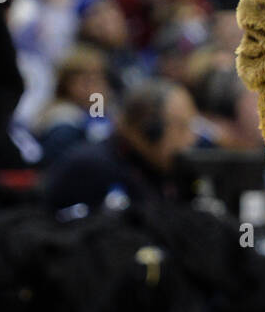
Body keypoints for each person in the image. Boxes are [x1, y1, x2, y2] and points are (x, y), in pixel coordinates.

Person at [43, 77, 198, 213]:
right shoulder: (90, 169)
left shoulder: (163, 172)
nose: (191, 139)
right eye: (182, 127)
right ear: (149, 131)